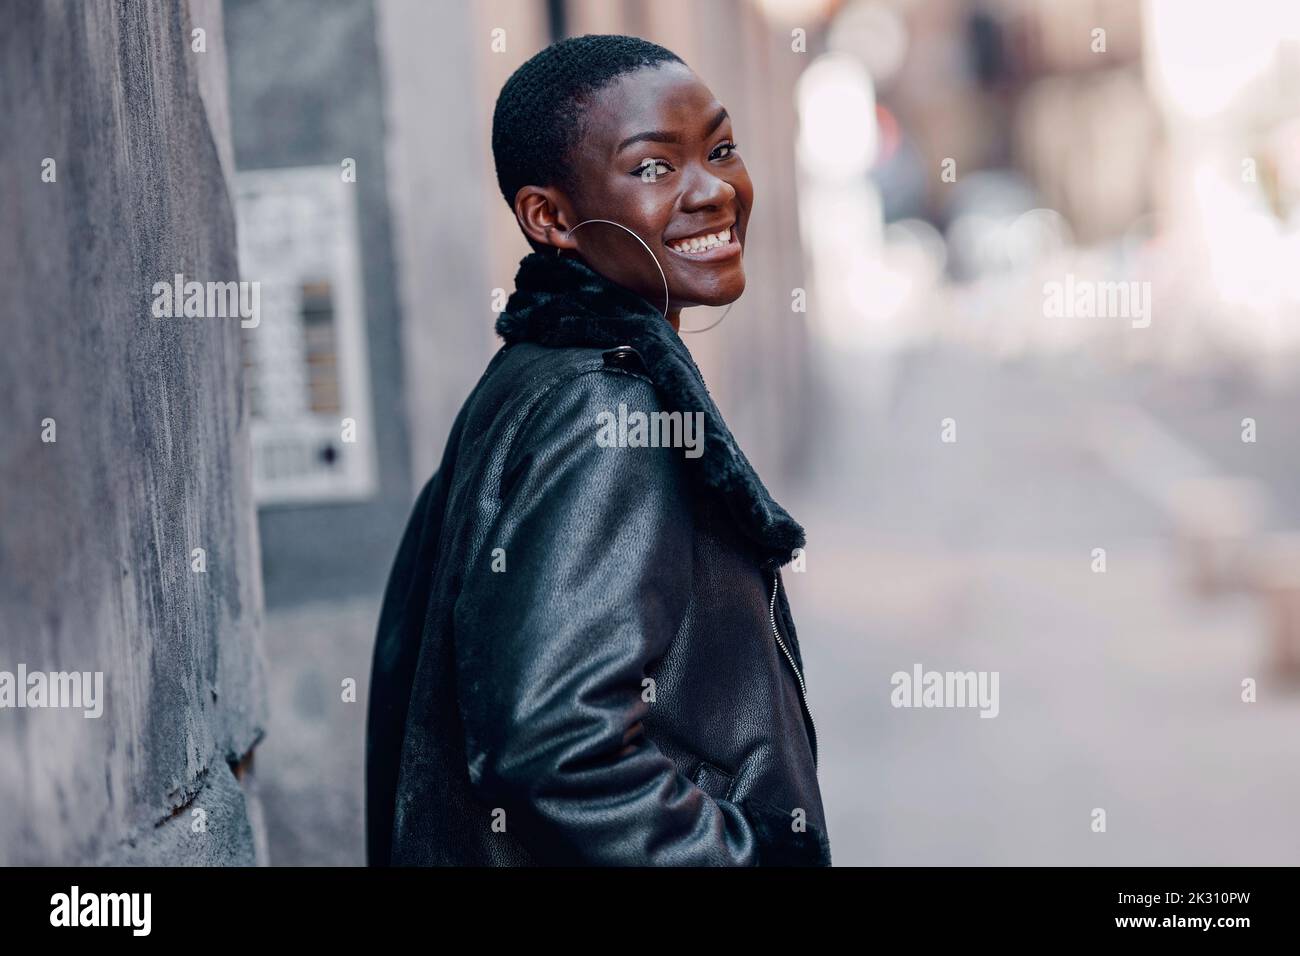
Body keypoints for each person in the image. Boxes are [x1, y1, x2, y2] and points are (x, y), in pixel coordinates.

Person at [365, 33, 829, 866]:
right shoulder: (604, 409)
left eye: (720, 149)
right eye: (654, 167)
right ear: (551, 218)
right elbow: (557, 747)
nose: (713, 190)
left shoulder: (537, 372)